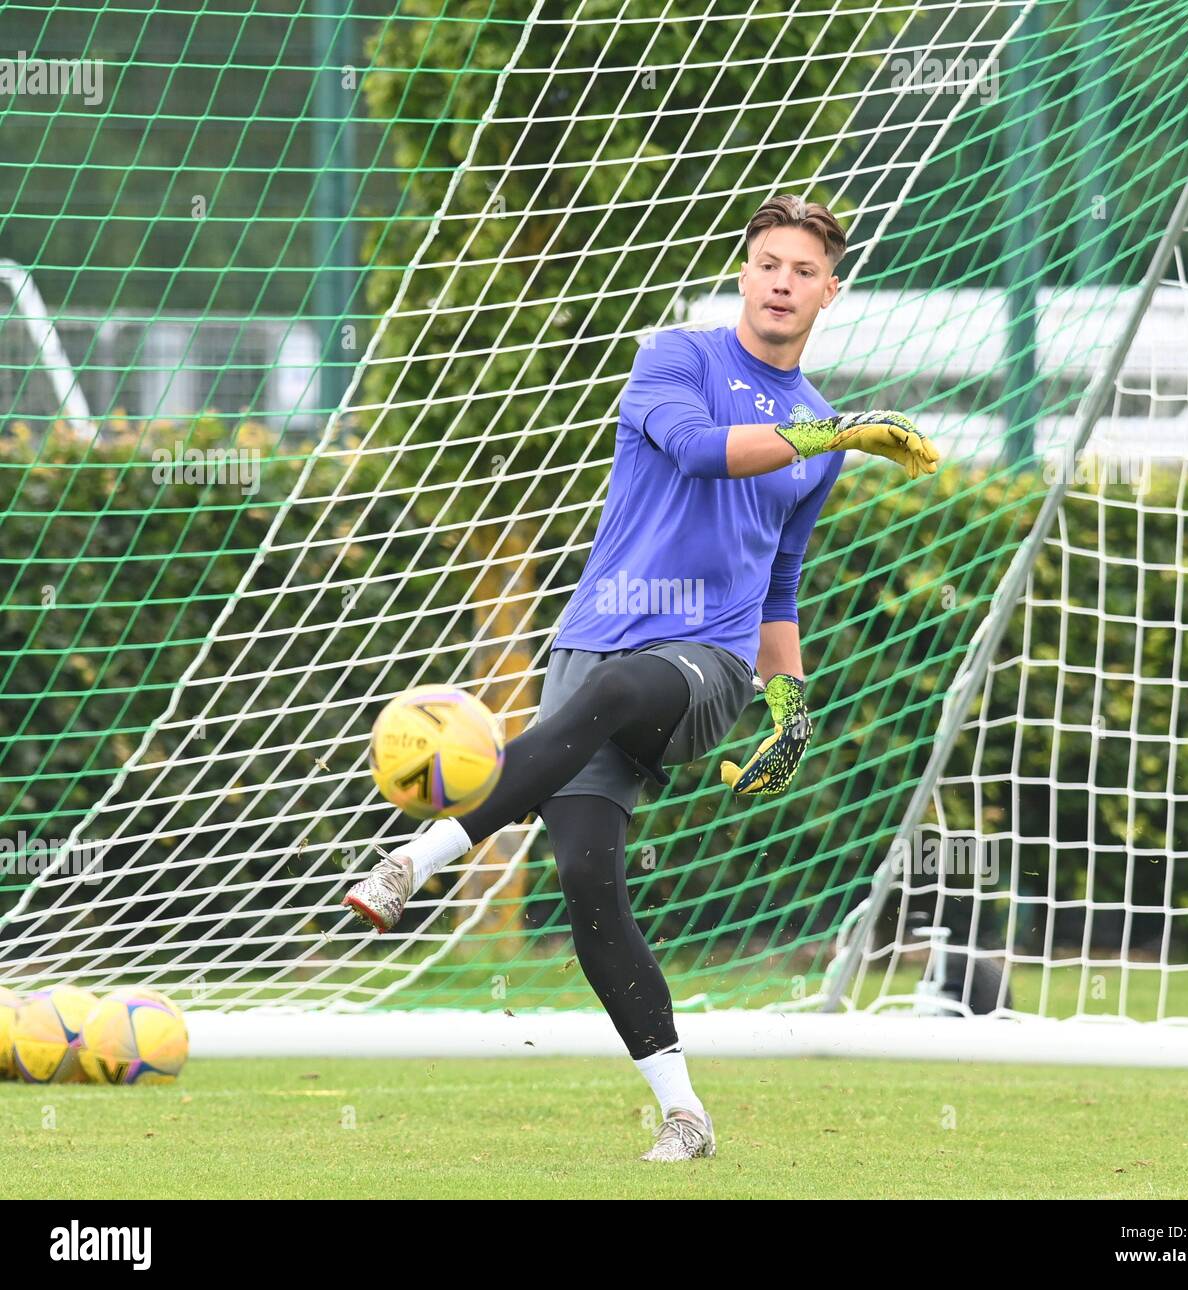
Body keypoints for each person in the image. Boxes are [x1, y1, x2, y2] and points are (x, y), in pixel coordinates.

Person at [343, 194, 940, 1162]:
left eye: (801, 270)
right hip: (595, 642)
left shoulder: (824, 423)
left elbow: (778, 587)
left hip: (705, 665)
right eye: (765, 263)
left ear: (831, 291)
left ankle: (415, 859)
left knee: (625, 694)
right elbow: (704, 454)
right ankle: (685, 1113)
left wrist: (787, 710)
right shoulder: (678, 360)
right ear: (744, 274)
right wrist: (835, 436)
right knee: (585, 879)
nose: (780, 282)